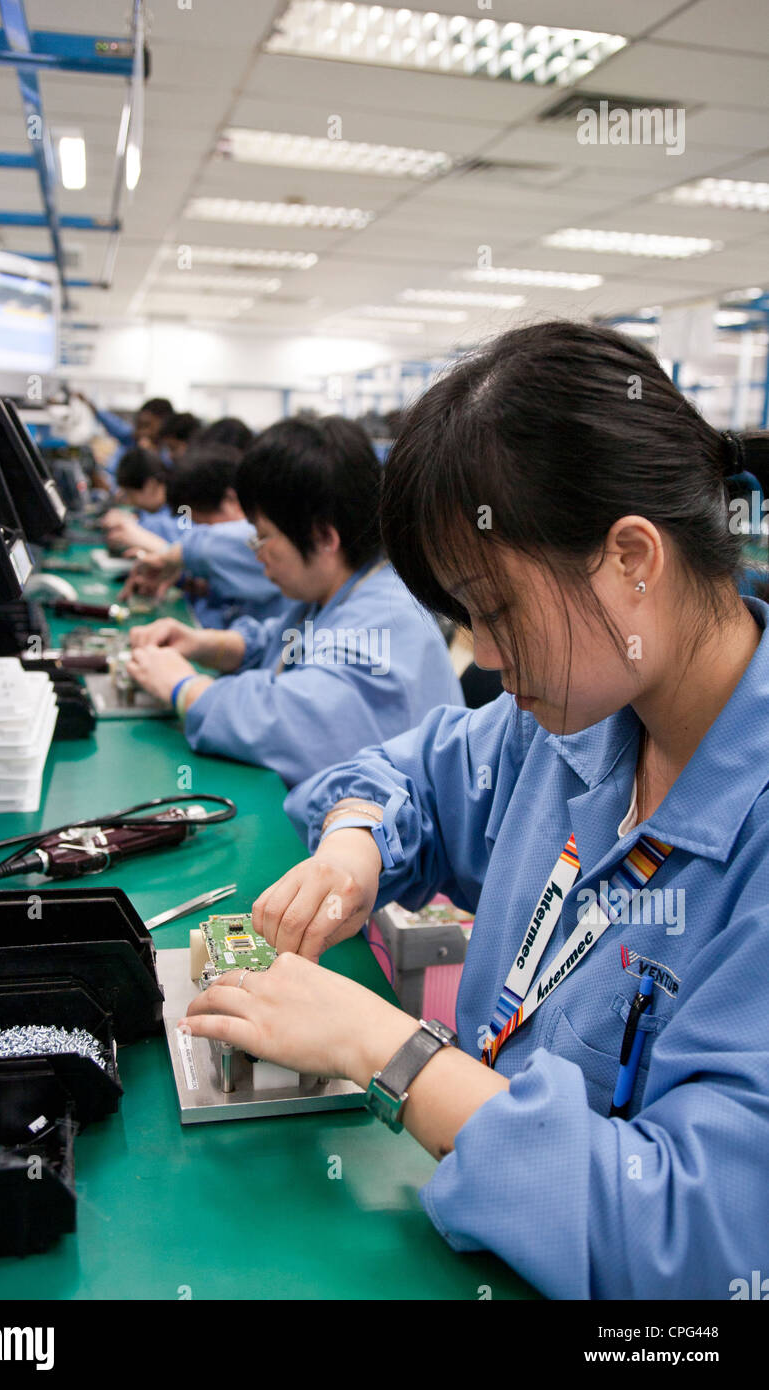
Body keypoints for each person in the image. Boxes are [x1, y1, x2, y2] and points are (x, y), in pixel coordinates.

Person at [175, 321, 769, 1300]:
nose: (482, 658)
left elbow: (701, 1244)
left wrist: (387, 1050)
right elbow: (404, 771)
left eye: (493, 609)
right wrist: (355, 843)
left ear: (630, 559)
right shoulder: (575, 721)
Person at [126, 415, 463, 788]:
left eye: (263, 537)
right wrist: (205, 644)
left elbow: (291, 722)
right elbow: (286, 645)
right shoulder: (338, 592)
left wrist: (183, 688)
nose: (256, 554)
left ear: (322, 537)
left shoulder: (390, 620)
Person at [121, 444, 288, 628]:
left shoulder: (267, 543)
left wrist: (168, 556)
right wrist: (184, 580)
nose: (201, 532)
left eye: (205, 526)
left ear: (231, 499)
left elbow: (222, 542)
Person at [99, 446, 183, 552]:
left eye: (130, 494)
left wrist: (132, 526)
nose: (130, 502)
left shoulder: (185, 504)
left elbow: (178, 533)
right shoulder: (155, 508)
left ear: (150, 486)